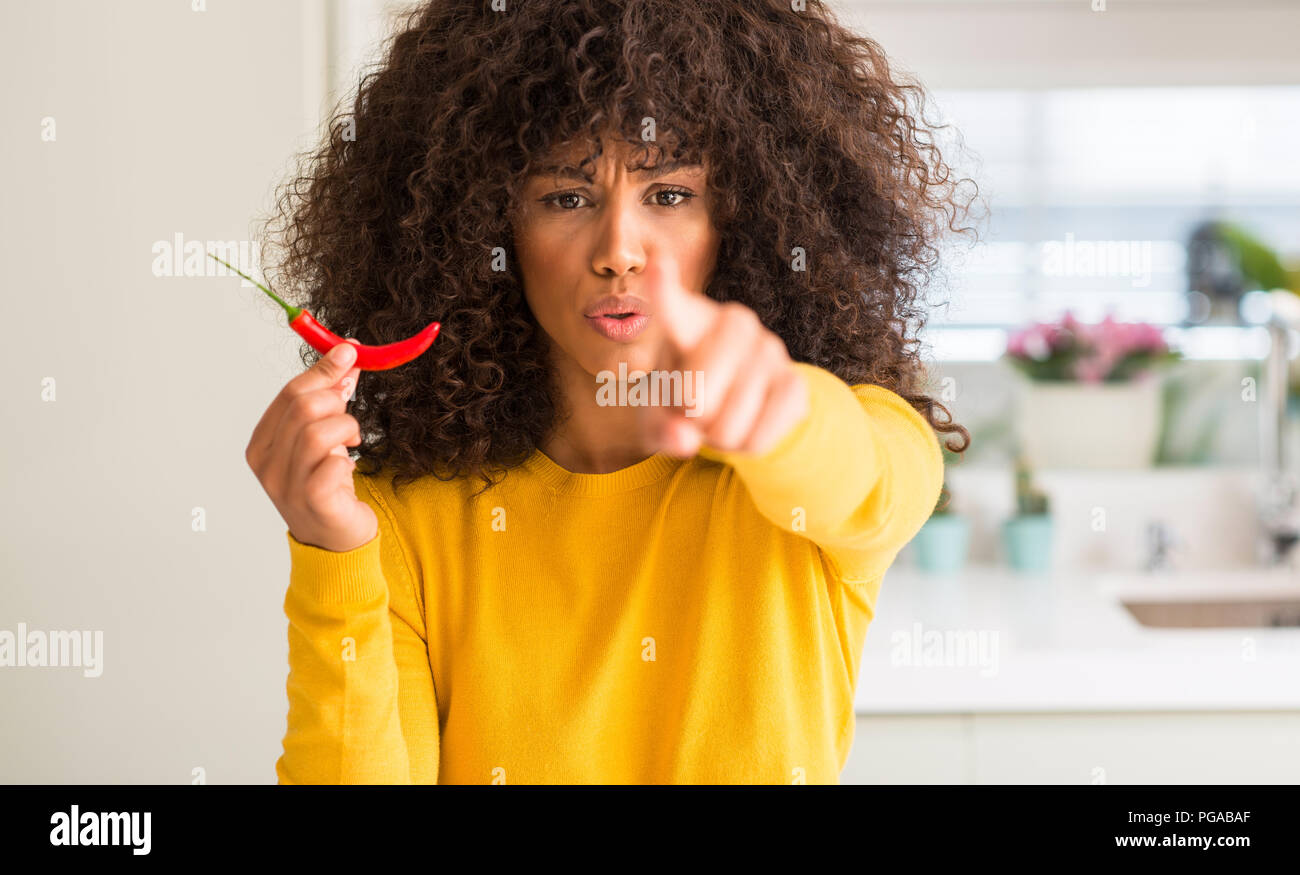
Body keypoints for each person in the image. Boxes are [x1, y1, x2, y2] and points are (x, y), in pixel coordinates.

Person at [251, 0, 974, 784]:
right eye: (567, 196)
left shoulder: (827, 462)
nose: (620, 251)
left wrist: (773, 413)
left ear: (742, 218)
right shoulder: (395, 518)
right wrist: (332, 555)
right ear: (487, 231)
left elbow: (865, 479)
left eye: (668, 195)